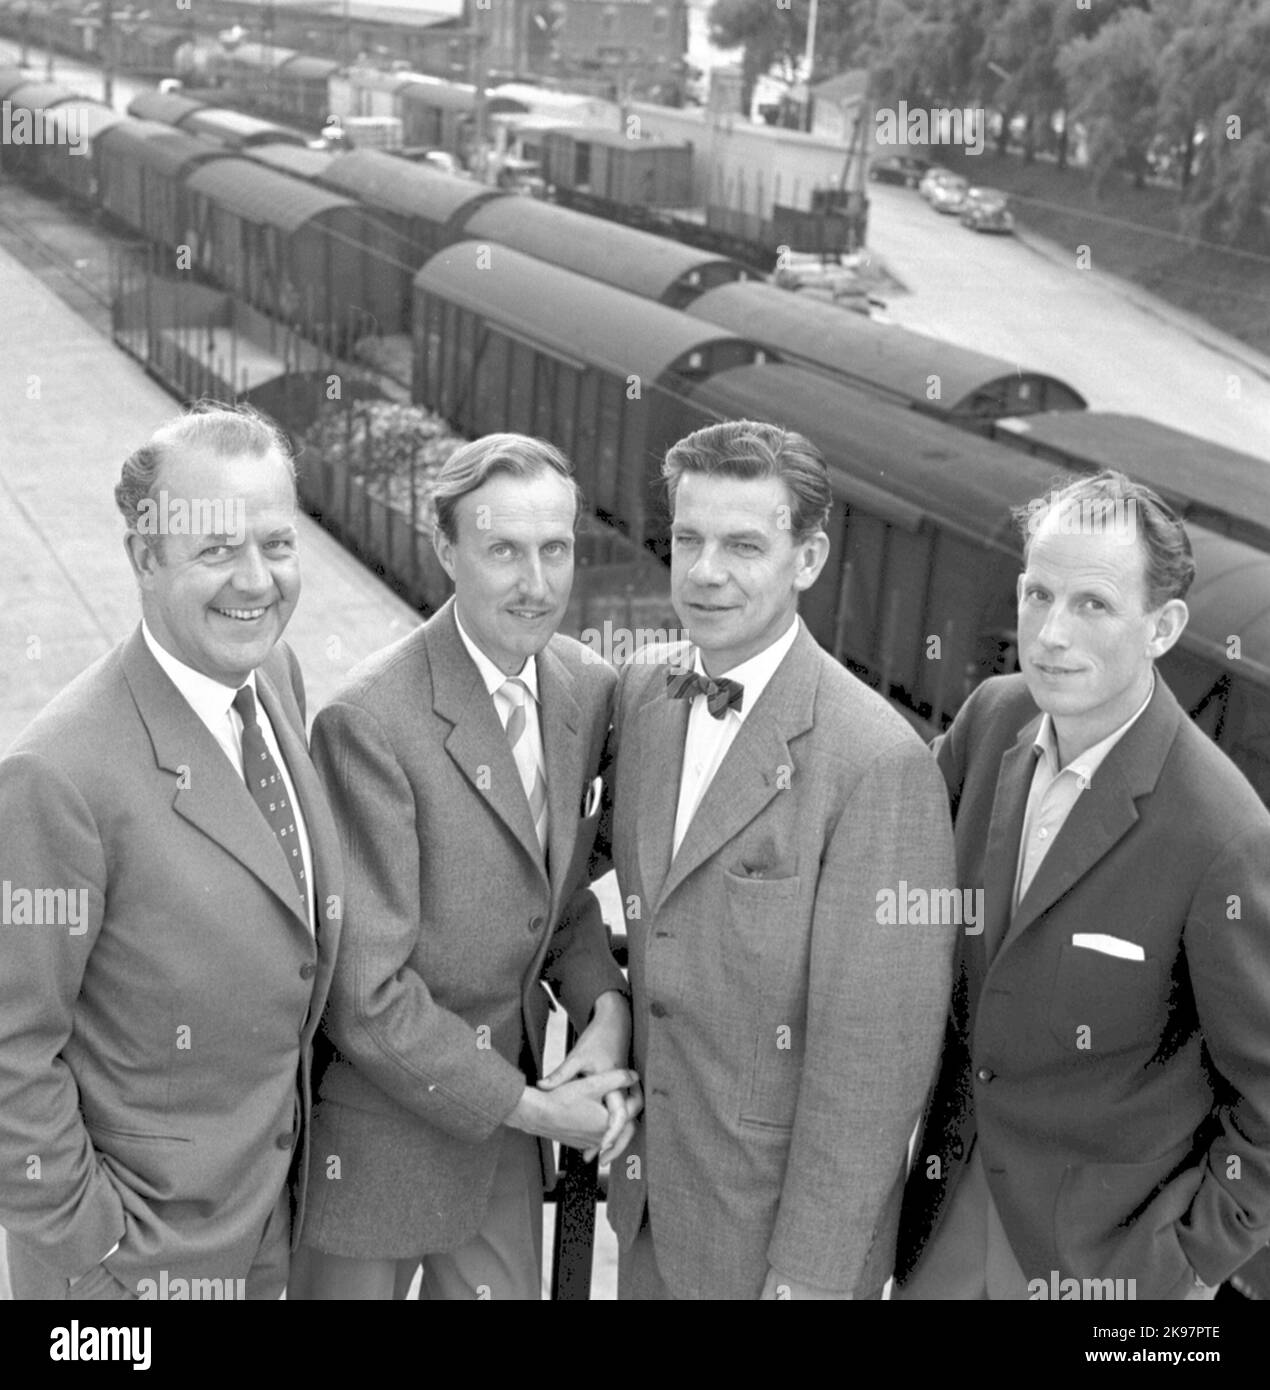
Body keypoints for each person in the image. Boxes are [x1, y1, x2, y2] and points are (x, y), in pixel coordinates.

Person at [601, 419, 958, 1300]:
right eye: (688, 538)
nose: (705, 571)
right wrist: (601, 1009)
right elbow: (582, 880)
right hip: (647, 1211)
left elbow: (874, 1067)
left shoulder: (879, 764)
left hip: (769, 1248)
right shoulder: (648, 690)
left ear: (808, 558)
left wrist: (809, 1276)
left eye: (743, 545)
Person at [894, 470, 1270, 1301]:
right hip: (945, 1217)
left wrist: (1187, 1267)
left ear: (1163, 626)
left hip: (1110, 1267)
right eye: (1037, 594)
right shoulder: (991, 721)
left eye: (1093, 605)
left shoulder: (1224, 837)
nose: (1050, 634)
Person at [0, 404, 342, 1300]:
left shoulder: (273, 677)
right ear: (144, 560)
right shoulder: (56, 776)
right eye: (217, 549)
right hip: (134, 1271)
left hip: (271, 1226)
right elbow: (7, 1049)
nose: (257, 580)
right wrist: (98, 1246)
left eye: (277, 542)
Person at [291, 434, 635, 1301]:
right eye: (503, 551)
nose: (536, 580)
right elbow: (366, 996)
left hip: (502, 1156)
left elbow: (552, 900)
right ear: (446, 550)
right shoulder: (369, 722)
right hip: (380, 1151)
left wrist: (606, 1010)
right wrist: (539, 1111)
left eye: (555, 548)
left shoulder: (586, 687)